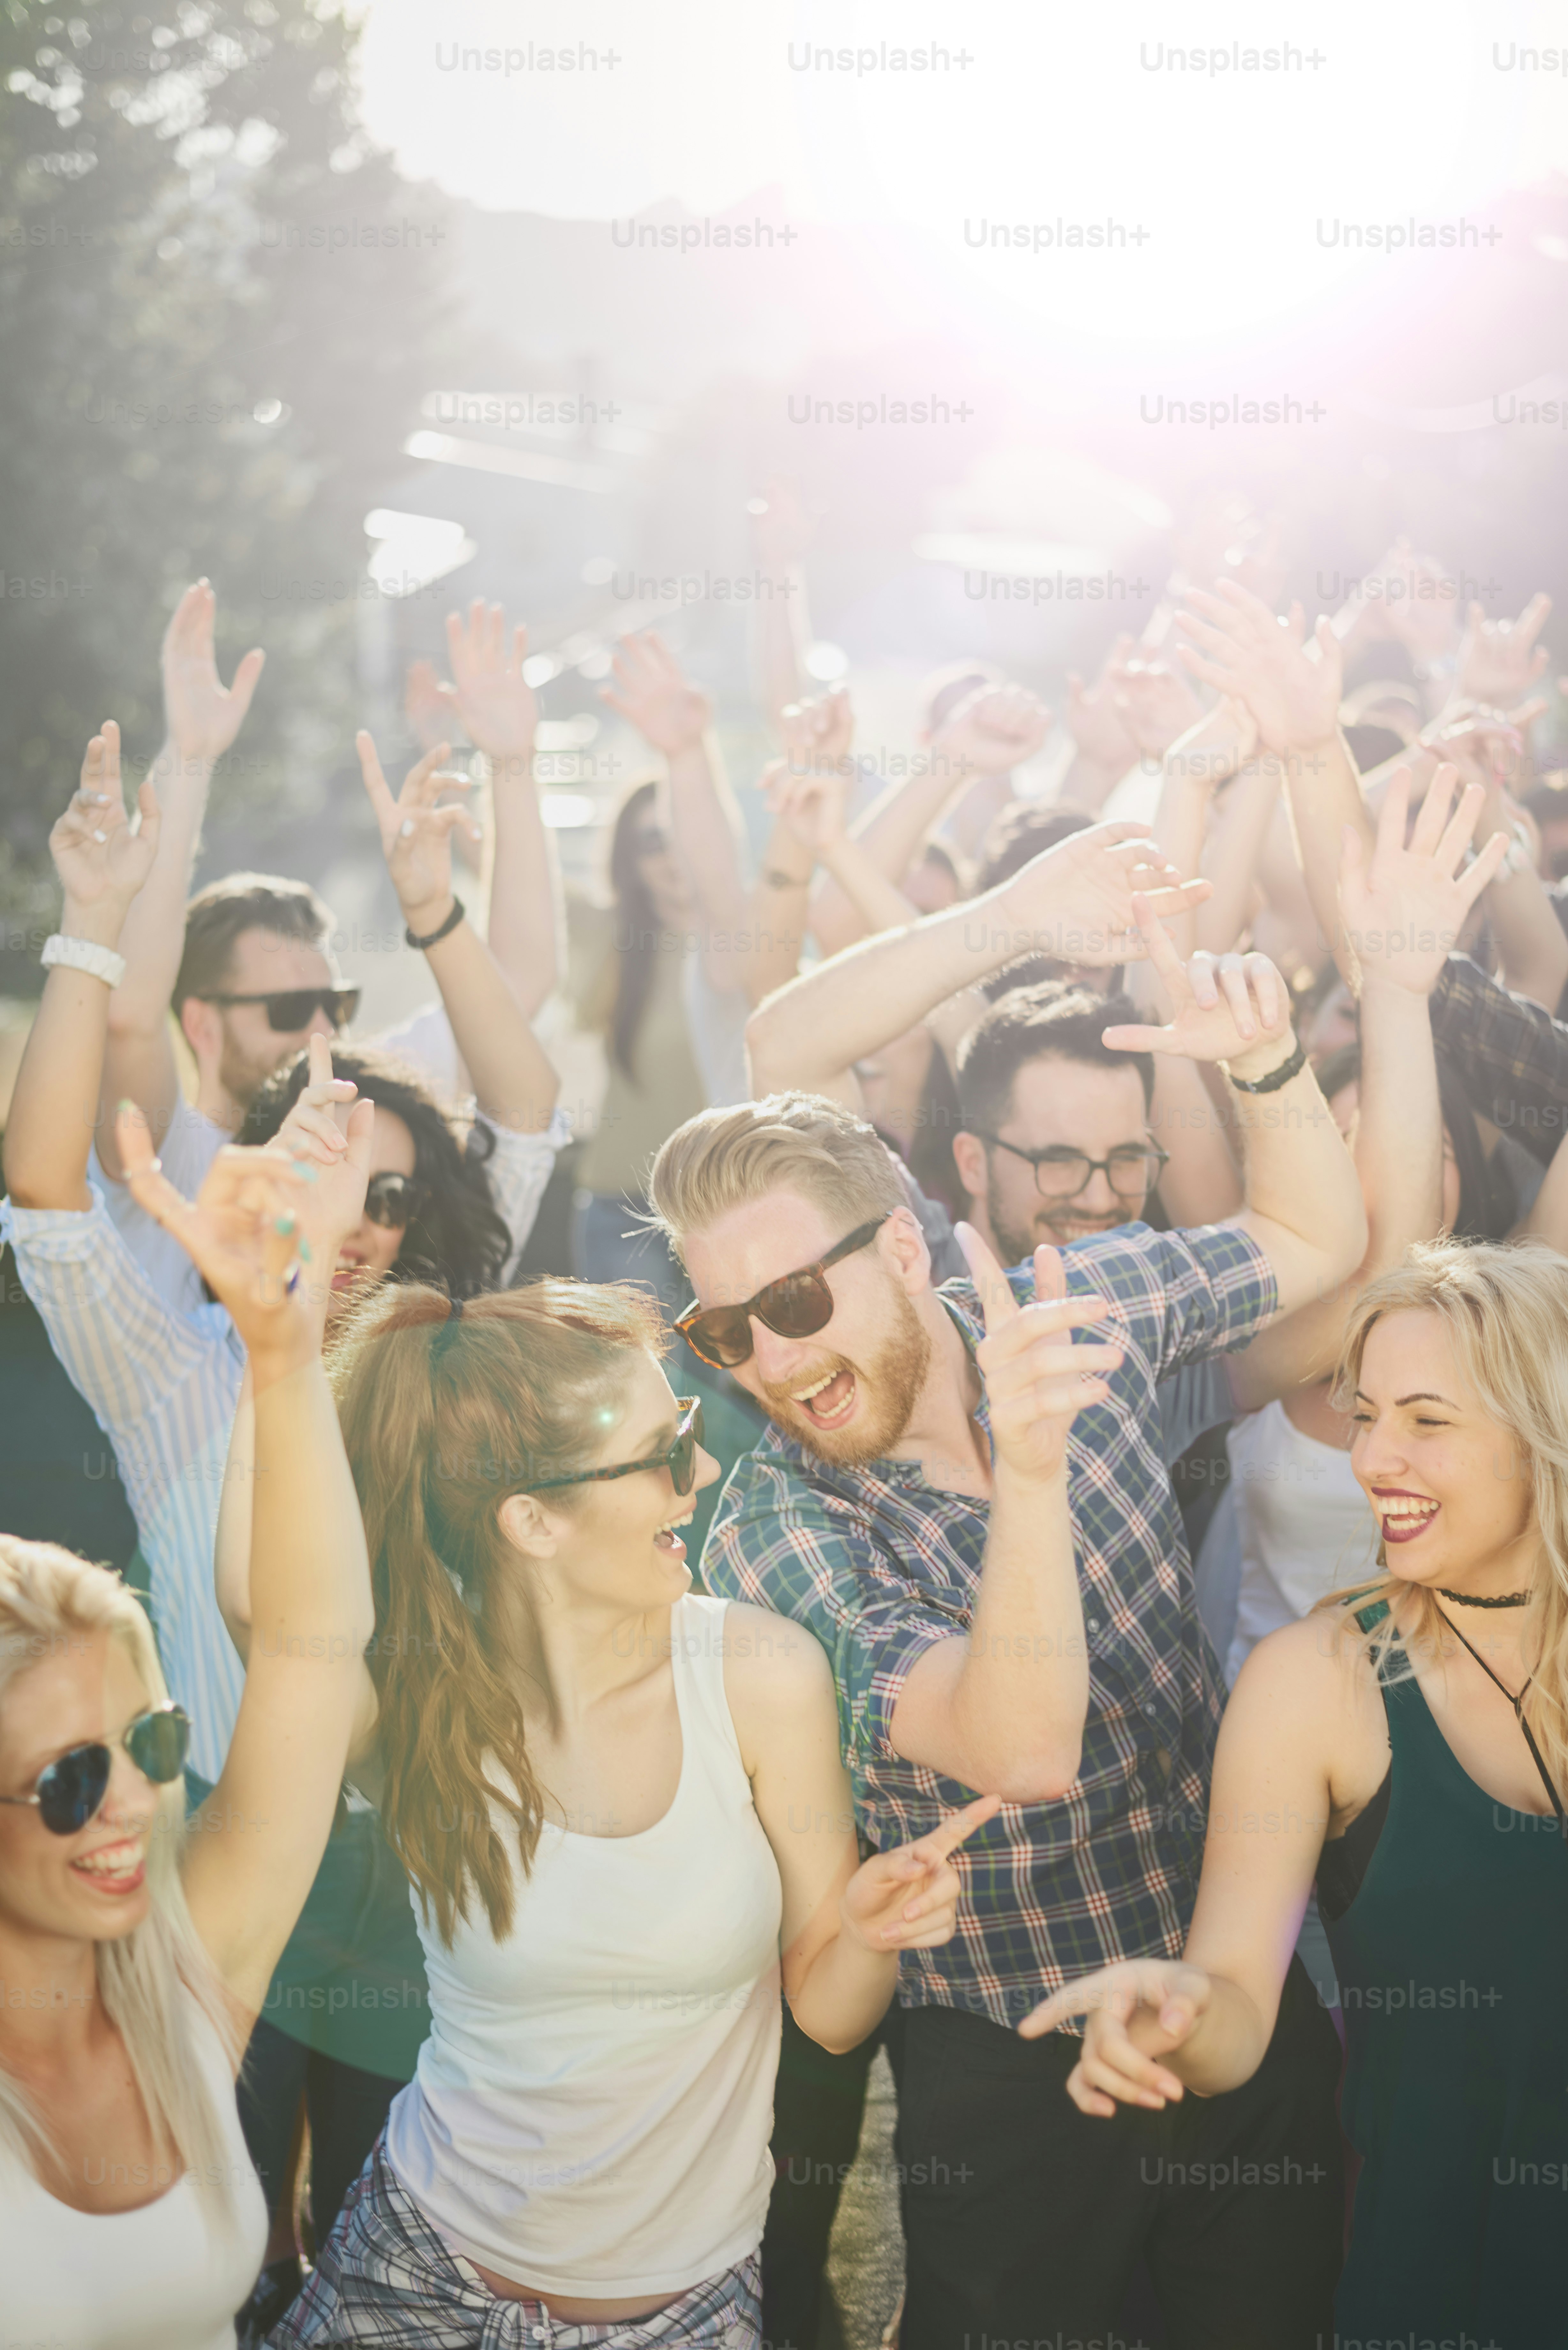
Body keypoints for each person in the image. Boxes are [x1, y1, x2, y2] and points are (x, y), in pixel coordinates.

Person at [647, 824, 1370, 2347]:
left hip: (1229, 2002)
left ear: (905, 1248)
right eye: (726, 1334)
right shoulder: (773, 1530)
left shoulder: (1073, 1295)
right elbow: (1018, 1748)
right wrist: (1027, 1475)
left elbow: (1314, 1233)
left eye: (793, 1300)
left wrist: (1261, 1070)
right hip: (1010, 2076)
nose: (772, 1359)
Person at [204, 1279, 1002, 2349]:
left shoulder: (761, 1678)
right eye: (667, 1452)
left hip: (683, 2314)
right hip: (414, 2276)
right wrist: (276, 1345)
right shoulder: (424, 1695)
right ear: (531, 1520)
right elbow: (269, 1613)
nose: (704, 1472)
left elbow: (830, 2012)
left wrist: (867, 1931)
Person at [1026, 1236, 1568, 2347]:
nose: (1373, 1459)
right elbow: (1233, 2000)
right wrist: (1174, 2016)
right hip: (1444, 2287)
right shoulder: (1320, 1682)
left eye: (1427, 1420)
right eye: (1363, 1415)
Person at [0, 1077, 377, 2346]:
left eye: (148, 1745)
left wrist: (285, 1342)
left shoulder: (182, 1985)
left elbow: (314, 1654)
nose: (127, 1807)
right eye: (63, 1779)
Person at [95, 588, 560, 1315]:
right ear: (200, 1024)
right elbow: (126, 1011)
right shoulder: (176, 1157)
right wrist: (187, 758)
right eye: (288, 1008)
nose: (323, 1030)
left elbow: (518, 981)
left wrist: (511, 763)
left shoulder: (379, 1112)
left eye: (333, 1002)